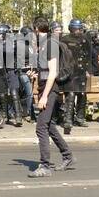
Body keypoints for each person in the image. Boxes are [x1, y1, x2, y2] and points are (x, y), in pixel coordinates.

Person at [29, 17, 75, 178]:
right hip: (45, 88)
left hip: (50, 90)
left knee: (41, 127)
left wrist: (44, 97)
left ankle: (45, 165)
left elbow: (53, 71)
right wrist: (36, 73)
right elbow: (47, 70)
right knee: (48, 126)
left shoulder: (50, 44)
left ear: (36, 29)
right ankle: (67, 155)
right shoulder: (45, 44)